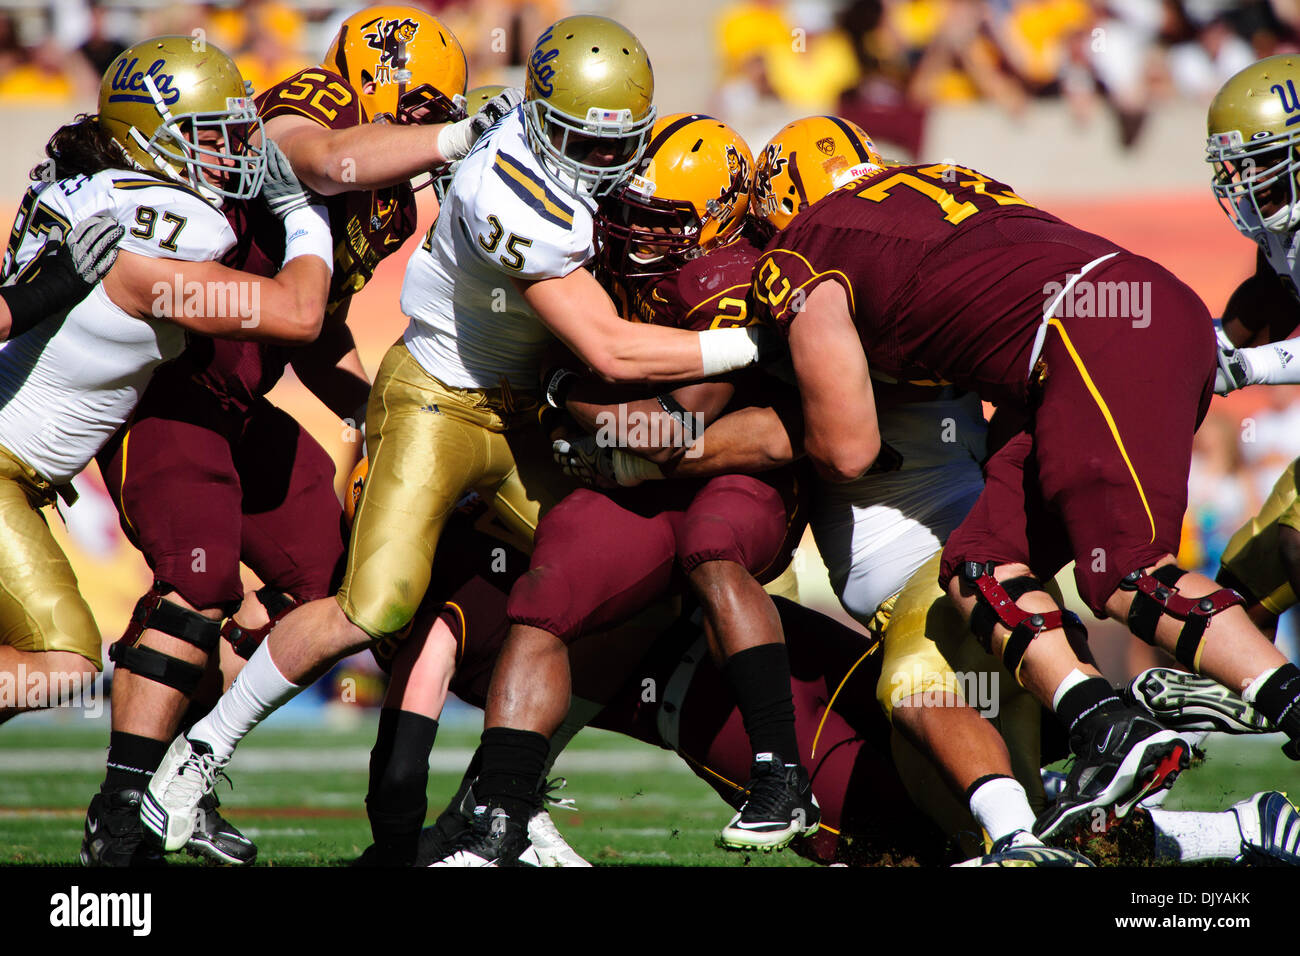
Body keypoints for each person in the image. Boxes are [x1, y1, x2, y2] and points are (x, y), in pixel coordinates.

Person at [141, 15, 771, 856]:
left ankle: (508, 793)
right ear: (540, 119)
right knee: (377, 602)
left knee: (603, 579)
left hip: (522, 414)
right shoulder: (502, 181)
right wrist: (752, 341)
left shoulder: (542, 156)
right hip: (438, 401)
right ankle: (192, 759)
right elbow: (609, 348)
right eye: (576, 142)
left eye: (606, 145)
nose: (595, 164)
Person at [80, 7, 514, 868]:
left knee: (337, 592)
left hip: (245, 404)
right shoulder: (315, 105)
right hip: (172, 392)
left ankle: (181, 775)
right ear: (381, 85)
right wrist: (455, 137)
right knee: (199, 580)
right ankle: (121, 810)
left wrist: (383, 406)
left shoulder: (387, 202)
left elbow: (316, 335)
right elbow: (316, 158)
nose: (432, 123)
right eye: (424, 106)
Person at [439, 113, 818, 864]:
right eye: (627, 214)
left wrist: (567, 388)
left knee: (711, 543)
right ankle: (498, 820)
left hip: (741, 468)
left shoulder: (725, 275)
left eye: (657, 223)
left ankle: (782, 774)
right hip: (642, 476)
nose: (631, 235)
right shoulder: (609, 253)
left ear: (713, 219)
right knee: (546, 593)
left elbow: (665, 429)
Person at [0, 35, 333, 739]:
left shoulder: (90, 187)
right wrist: (306, 215)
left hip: (22, 474)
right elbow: (298, 314)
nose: (232, 153)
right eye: (209, 137)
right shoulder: (162, 230)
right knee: (59, 664)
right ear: (151, 140)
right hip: (5, 465)